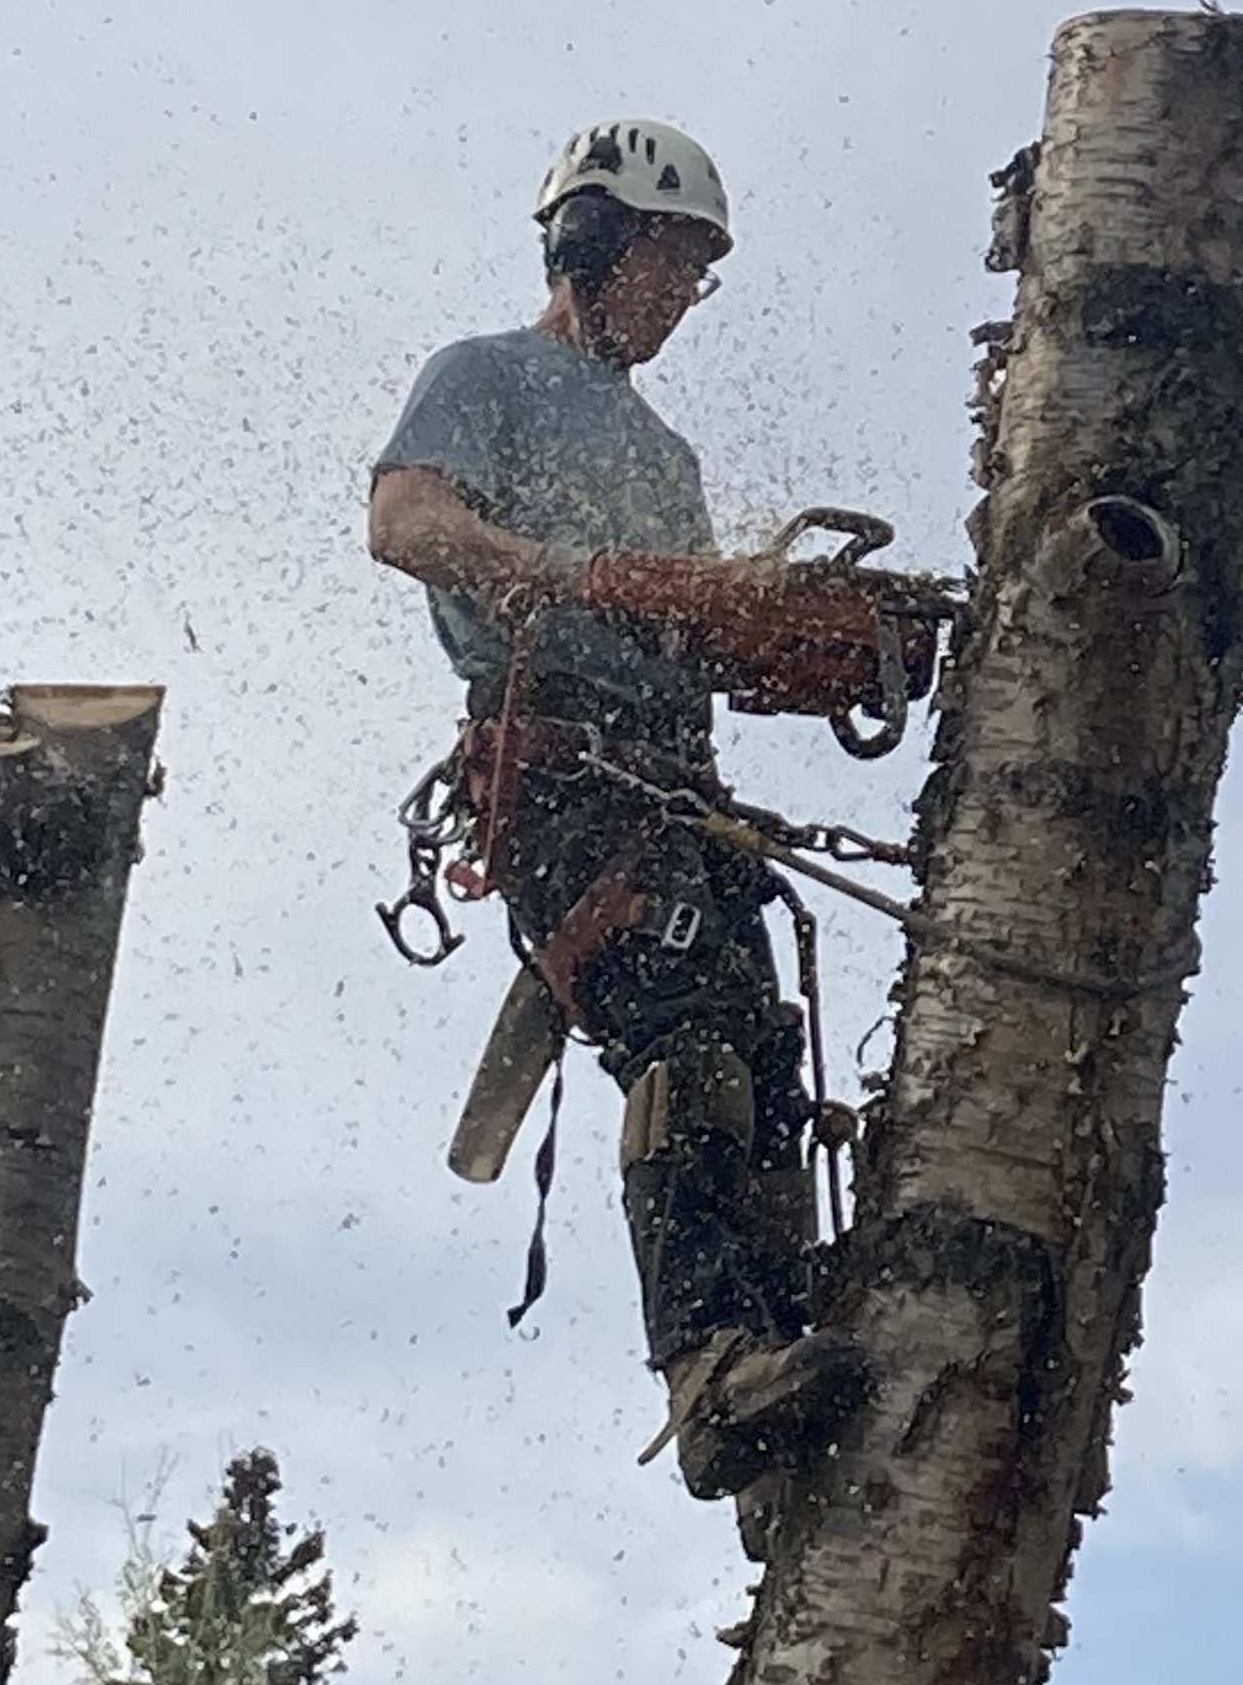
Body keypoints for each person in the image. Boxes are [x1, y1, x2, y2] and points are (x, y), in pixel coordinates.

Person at [367, 119, 868, 1503]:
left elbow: (689, 635)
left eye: (701, 273)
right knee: (685, 1031)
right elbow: (406, 522)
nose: (679, 296)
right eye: (670, 258)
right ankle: (710, 1369)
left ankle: (777, 1389)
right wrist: (556, 572)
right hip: (561, 775)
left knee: (762, 1057)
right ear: (593, 237)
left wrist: (784, 634)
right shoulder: (486, 377)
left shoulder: (671, 456)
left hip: (675, 786)